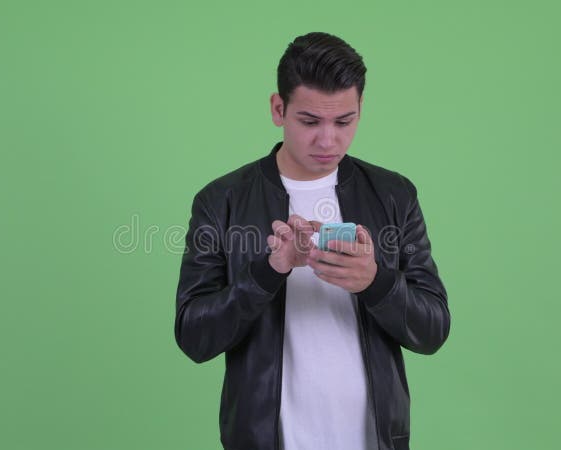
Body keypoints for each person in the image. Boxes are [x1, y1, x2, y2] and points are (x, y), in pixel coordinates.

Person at [174, 31, 450, 450]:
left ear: (360, 111)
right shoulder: (221, 201)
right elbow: (194, 337)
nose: (328, 140)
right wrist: (270, 271)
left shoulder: (394, 196)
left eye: (344, 122)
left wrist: (375, 282)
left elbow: (432, 330)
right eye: (309, 121)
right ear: (278, 108)